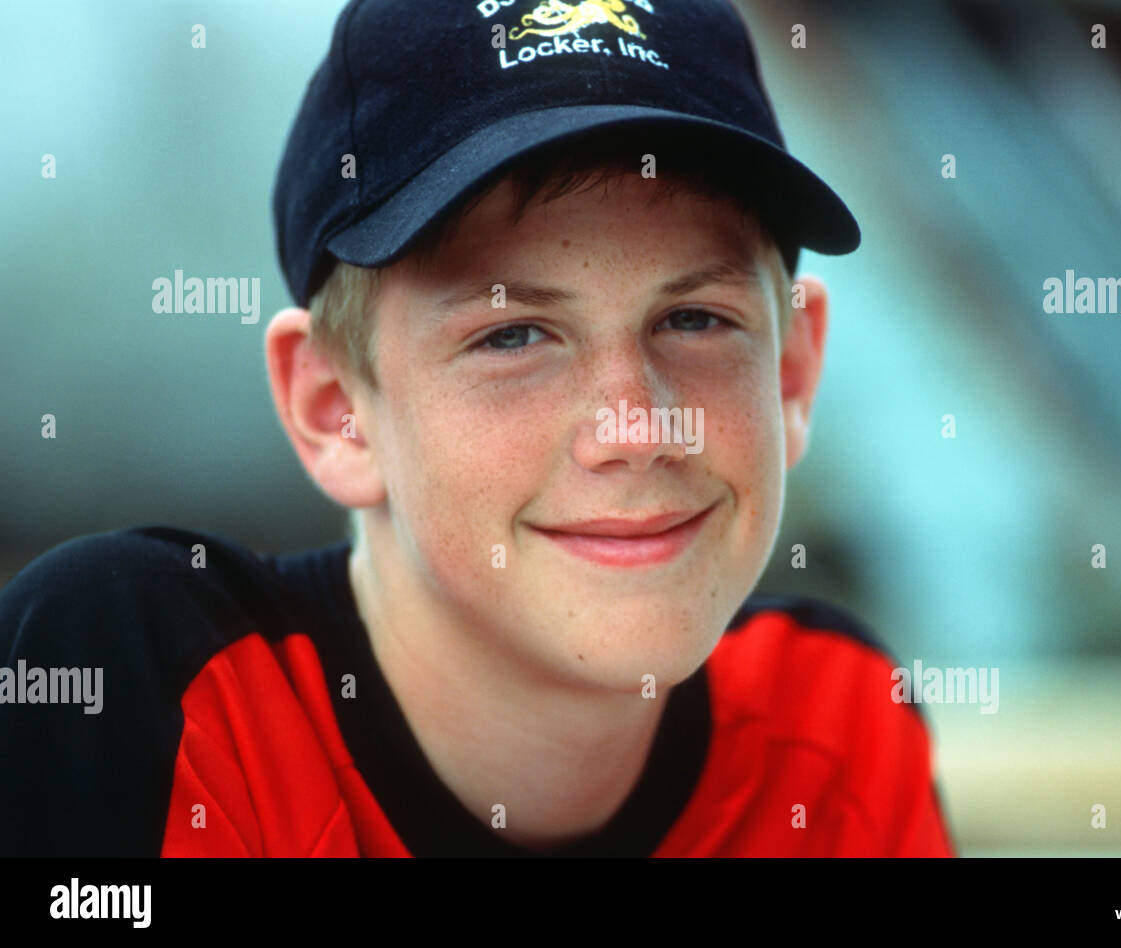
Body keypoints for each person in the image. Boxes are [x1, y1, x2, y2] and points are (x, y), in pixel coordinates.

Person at [0, 0, 954, 857]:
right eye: (513, 335)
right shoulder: (150, 684)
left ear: (791, 371)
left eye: (694, 319)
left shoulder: (831, 721)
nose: (631, 427)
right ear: (335, 410)